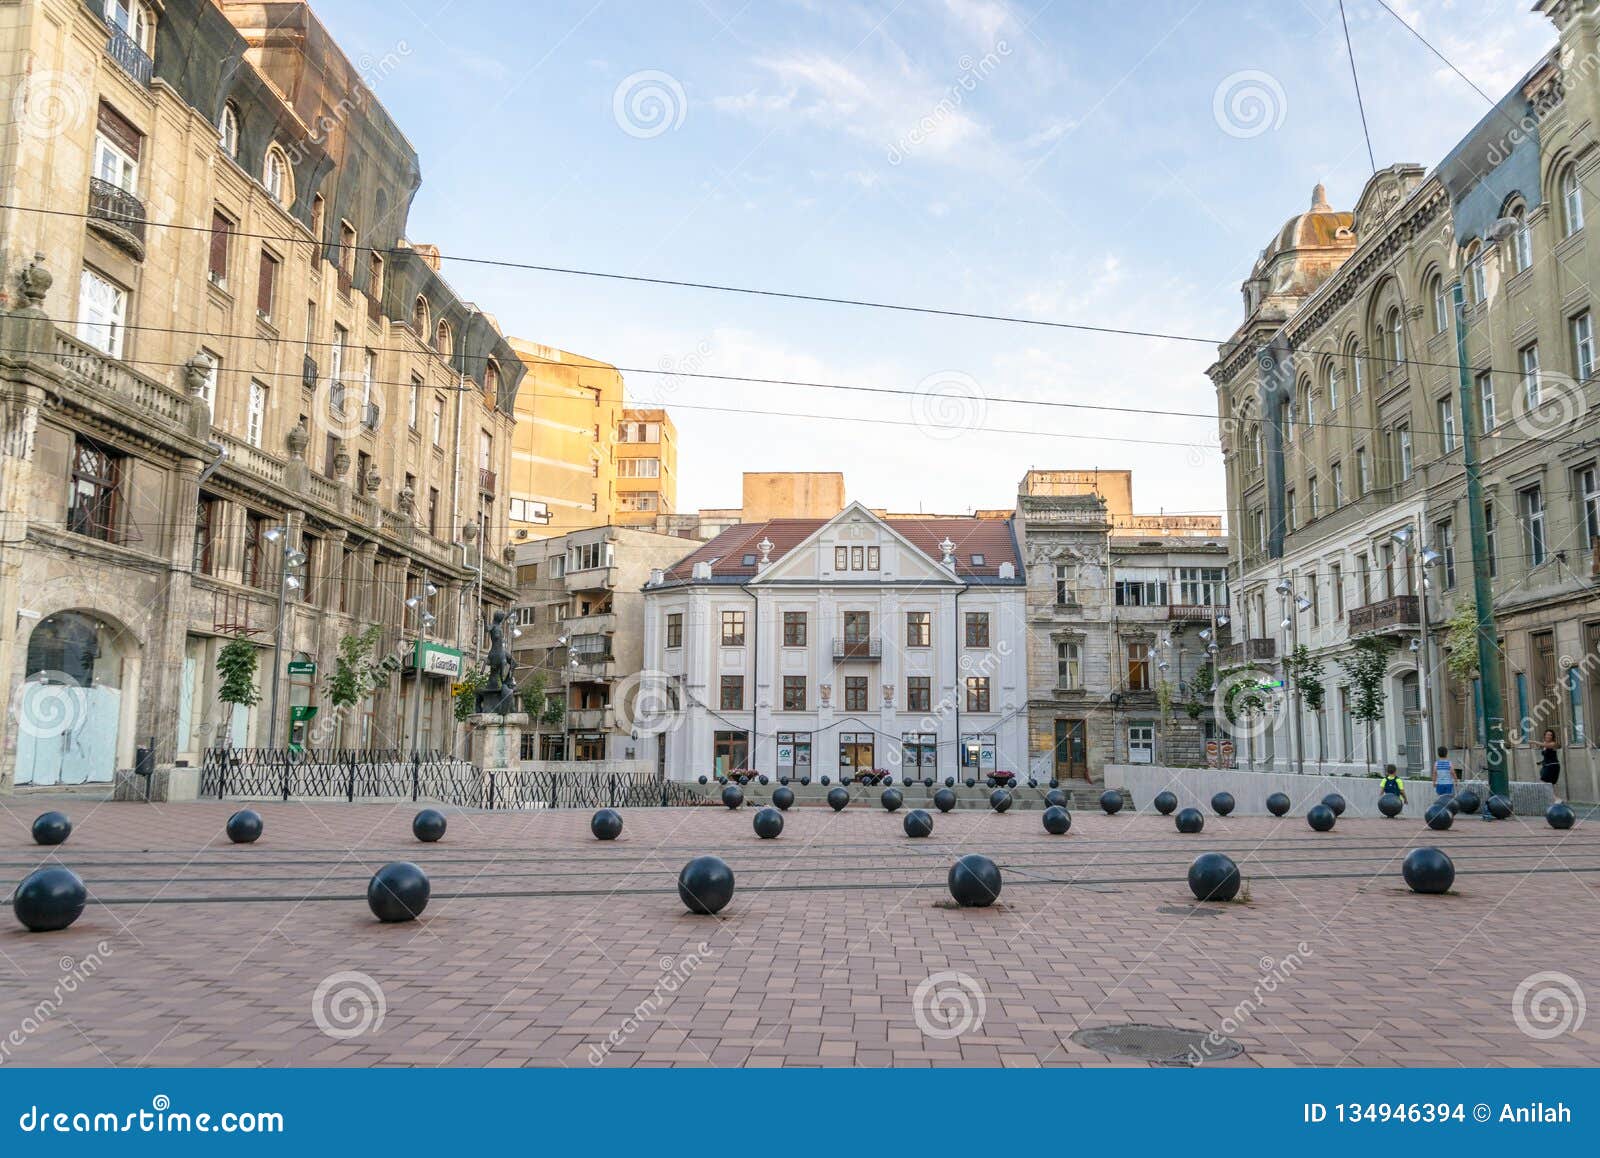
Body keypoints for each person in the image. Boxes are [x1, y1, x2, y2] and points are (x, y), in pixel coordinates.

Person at [1539, 728, 1562, 802]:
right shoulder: (1545, 744)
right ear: (1545, 735)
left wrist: (1534, 742)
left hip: (1552, 766)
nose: (1549, 736)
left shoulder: (1553, 744)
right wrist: (1541, 762)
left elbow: (1547, 746)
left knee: (1544, 783)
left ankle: (1556, 799)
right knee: (1549, 785)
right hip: (1547, 766)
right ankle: (1555, 800)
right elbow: (1548, 755)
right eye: (1547, 734)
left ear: (1552, 737)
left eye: (1551, 735)